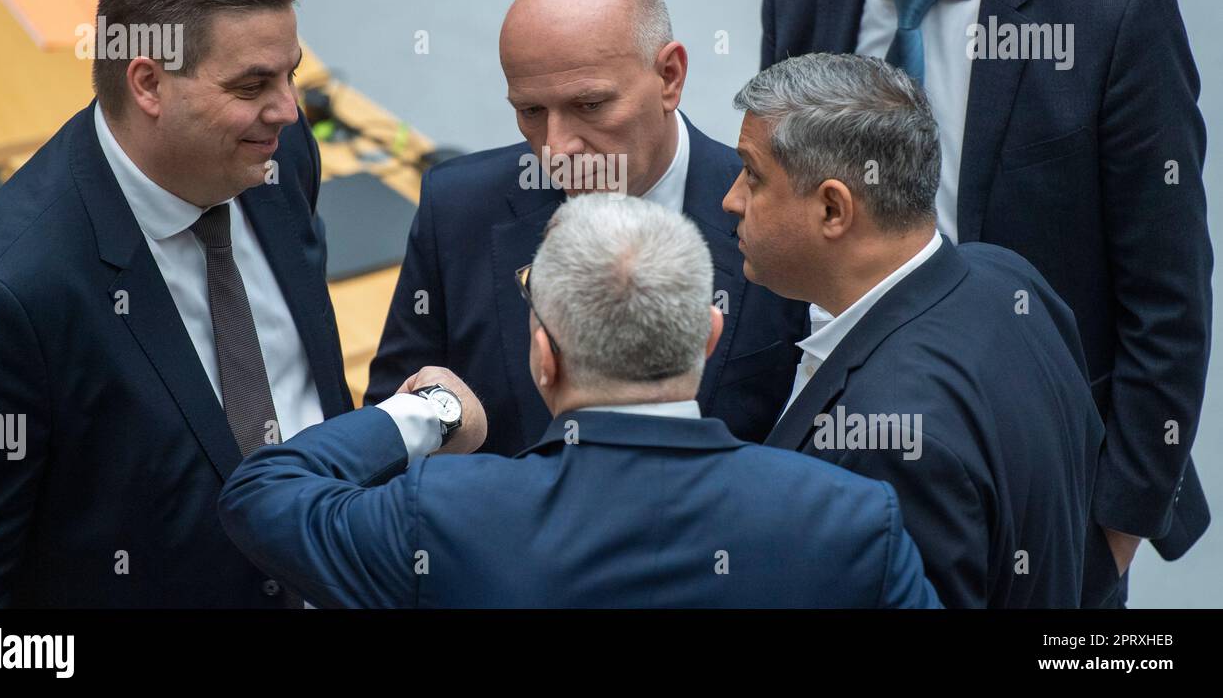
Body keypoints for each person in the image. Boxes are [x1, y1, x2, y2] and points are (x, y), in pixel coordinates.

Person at [759, 0, 1211, 605]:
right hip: (832, 462)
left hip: (1037, 483)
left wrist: (1111, 532)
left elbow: (1170, 295)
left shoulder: (1111, 15)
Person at [220, 194, 941, 608]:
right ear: (711, 334)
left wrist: (430, 411)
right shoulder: (851, 518)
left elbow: (261, 493)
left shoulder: (441, 517)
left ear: (545, 356)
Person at [0, 0, 352, 606]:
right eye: (252, 85)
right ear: (148, 82)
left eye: (291, 73)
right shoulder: (7, 294)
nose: (289, 110)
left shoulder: (278, 156)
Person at [368, 0, 805, 454]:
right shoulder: (457, 209)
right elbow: (391, 427)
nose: (557, 149)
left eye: (589, 105)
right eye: (530, 111)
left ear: (670, 76)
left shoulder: (781, 216)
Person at [726, 53, 1104, 607]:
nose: (731, 198)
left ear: (833, 208)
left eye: (752, 175)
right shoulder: (1007, 280)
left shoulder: (890, 440)